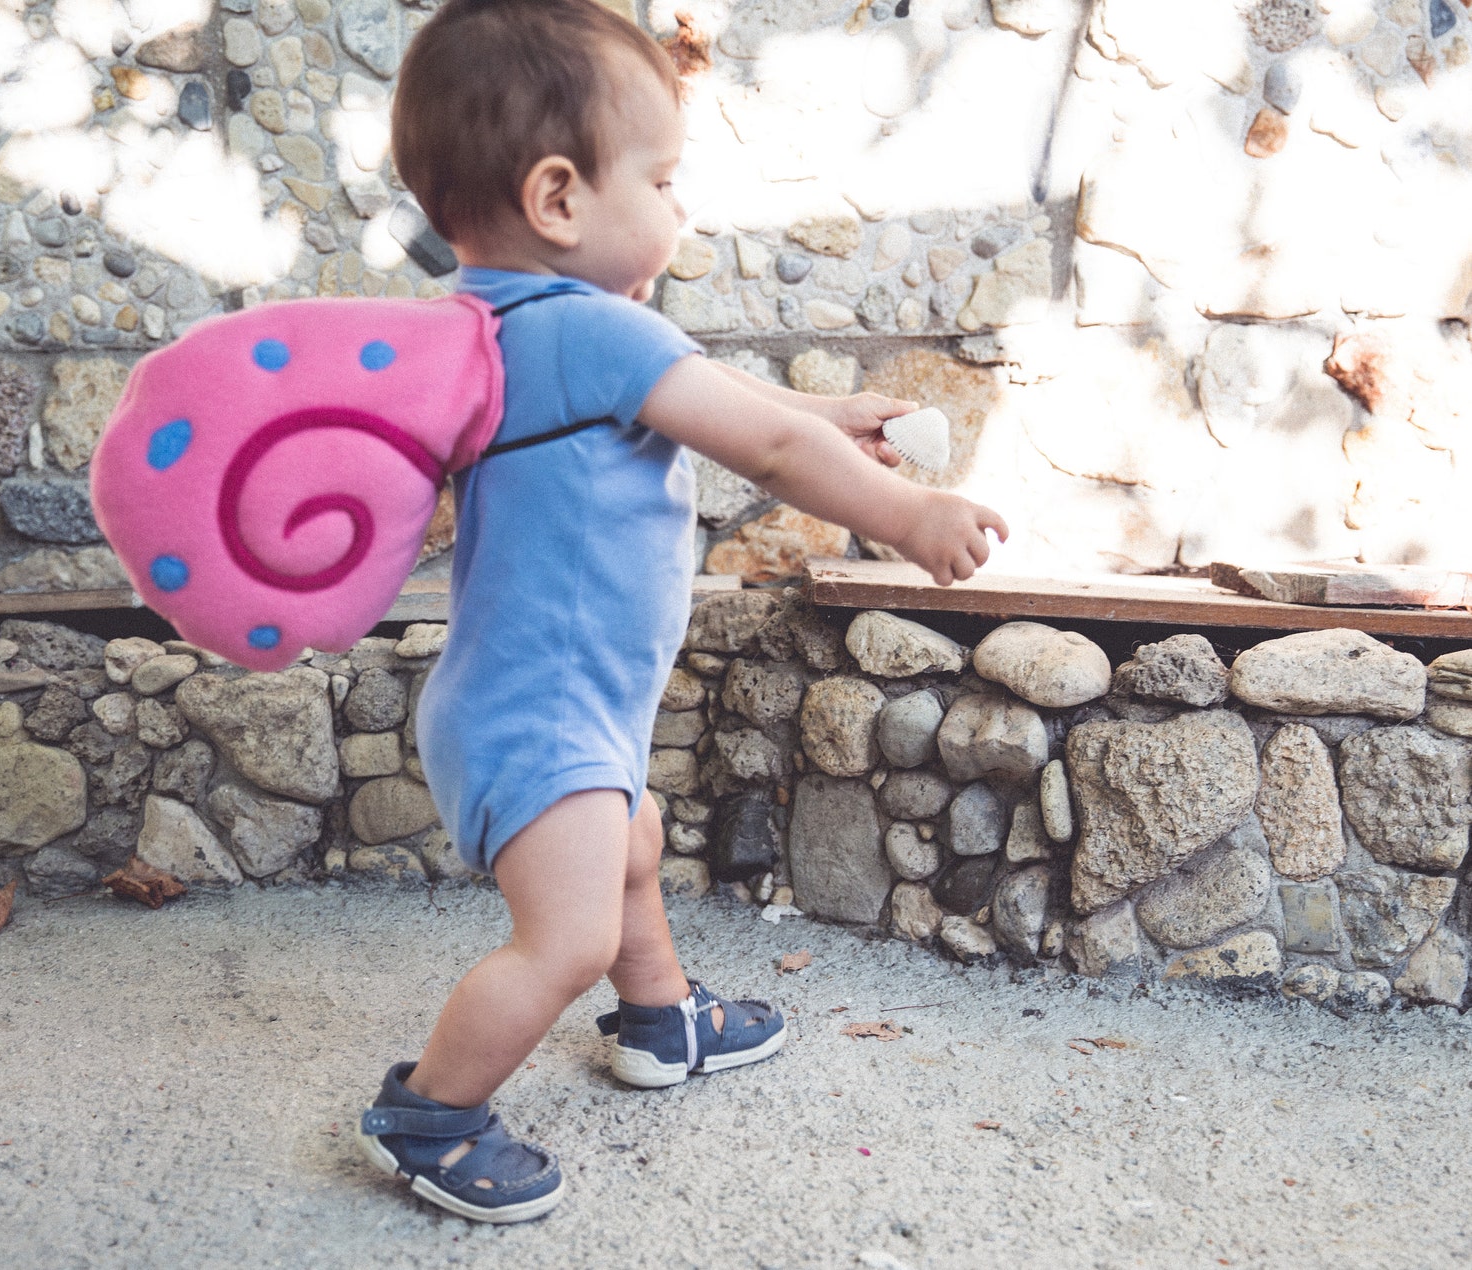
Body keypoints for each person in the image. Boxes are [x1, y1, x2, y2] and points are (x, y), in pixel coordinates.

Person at [355, 0, 1009, 1224]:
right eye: (661, 178)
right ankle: (429, 1112)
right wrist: (905, 512)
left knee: (633, 850)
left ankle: (662, 1021)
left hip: (529, 704)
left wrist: (833, 417)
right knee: (562, 940)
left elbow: (719, 396)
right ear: (559, 198)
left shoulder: (499, 327)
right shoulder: (590, 329)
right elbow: (752, 438)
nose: (680, 208)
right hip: (544, 717)